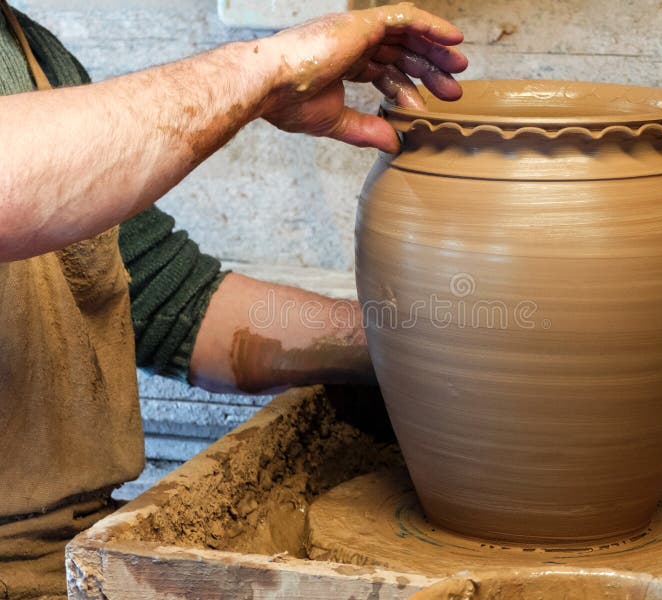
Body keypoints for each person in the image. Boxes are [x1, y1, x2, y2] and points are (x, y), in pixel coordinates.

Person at [0, 1, 467, 597]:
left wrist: (418, 345)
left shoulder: (26, 47)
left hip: (75, 561)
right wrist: (266, 70)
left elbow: (175, 304)